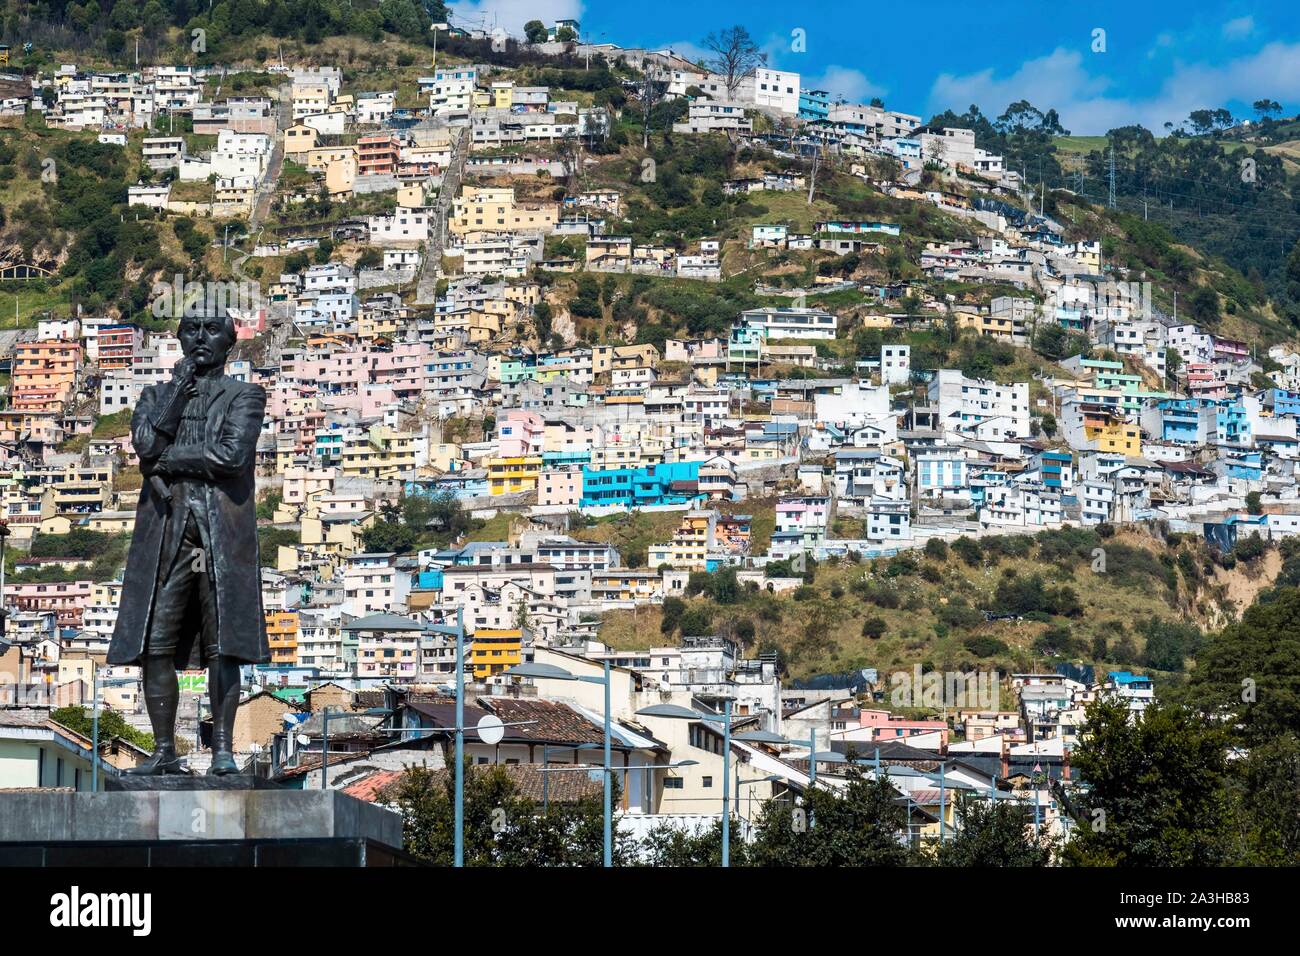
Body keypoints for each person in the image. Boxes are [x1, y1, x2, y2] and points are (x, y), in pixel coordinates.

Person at [106, 312, 269, 775]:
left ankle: (222, 750)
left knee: (223, 643)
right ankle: (163, 751)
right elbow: (144, 443)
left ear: (230, 342)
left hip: (219, 533)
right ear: (178, 339)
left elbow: (229, 457)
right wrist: (177, 393)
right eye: (190, 329)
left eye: (212, 329)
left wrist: (165, 463)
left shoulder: (245, 395)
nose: (201, 338)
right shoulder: (157, 396)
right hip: (168, 533)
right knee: (155, 641)